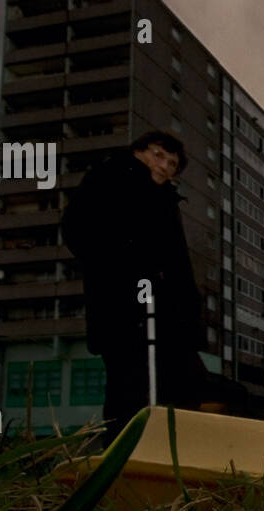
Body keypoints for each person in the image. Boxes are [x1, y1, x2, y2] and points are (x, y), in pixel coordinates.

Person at [61, 131, 208, 444]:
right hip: (120, 308)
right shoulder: (107, 178)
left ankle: (182, 456)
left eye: (172, 163)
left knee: (188, 383)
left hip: (167, 315)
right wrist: (122, 267)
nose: (165, 166)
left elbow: (179, 264)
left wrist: (191, 316)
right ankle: (121, 460)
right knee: (129, 389)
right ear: (138, 152)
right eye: (158, 155)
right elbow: (76, 230)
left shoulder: (167, 201)